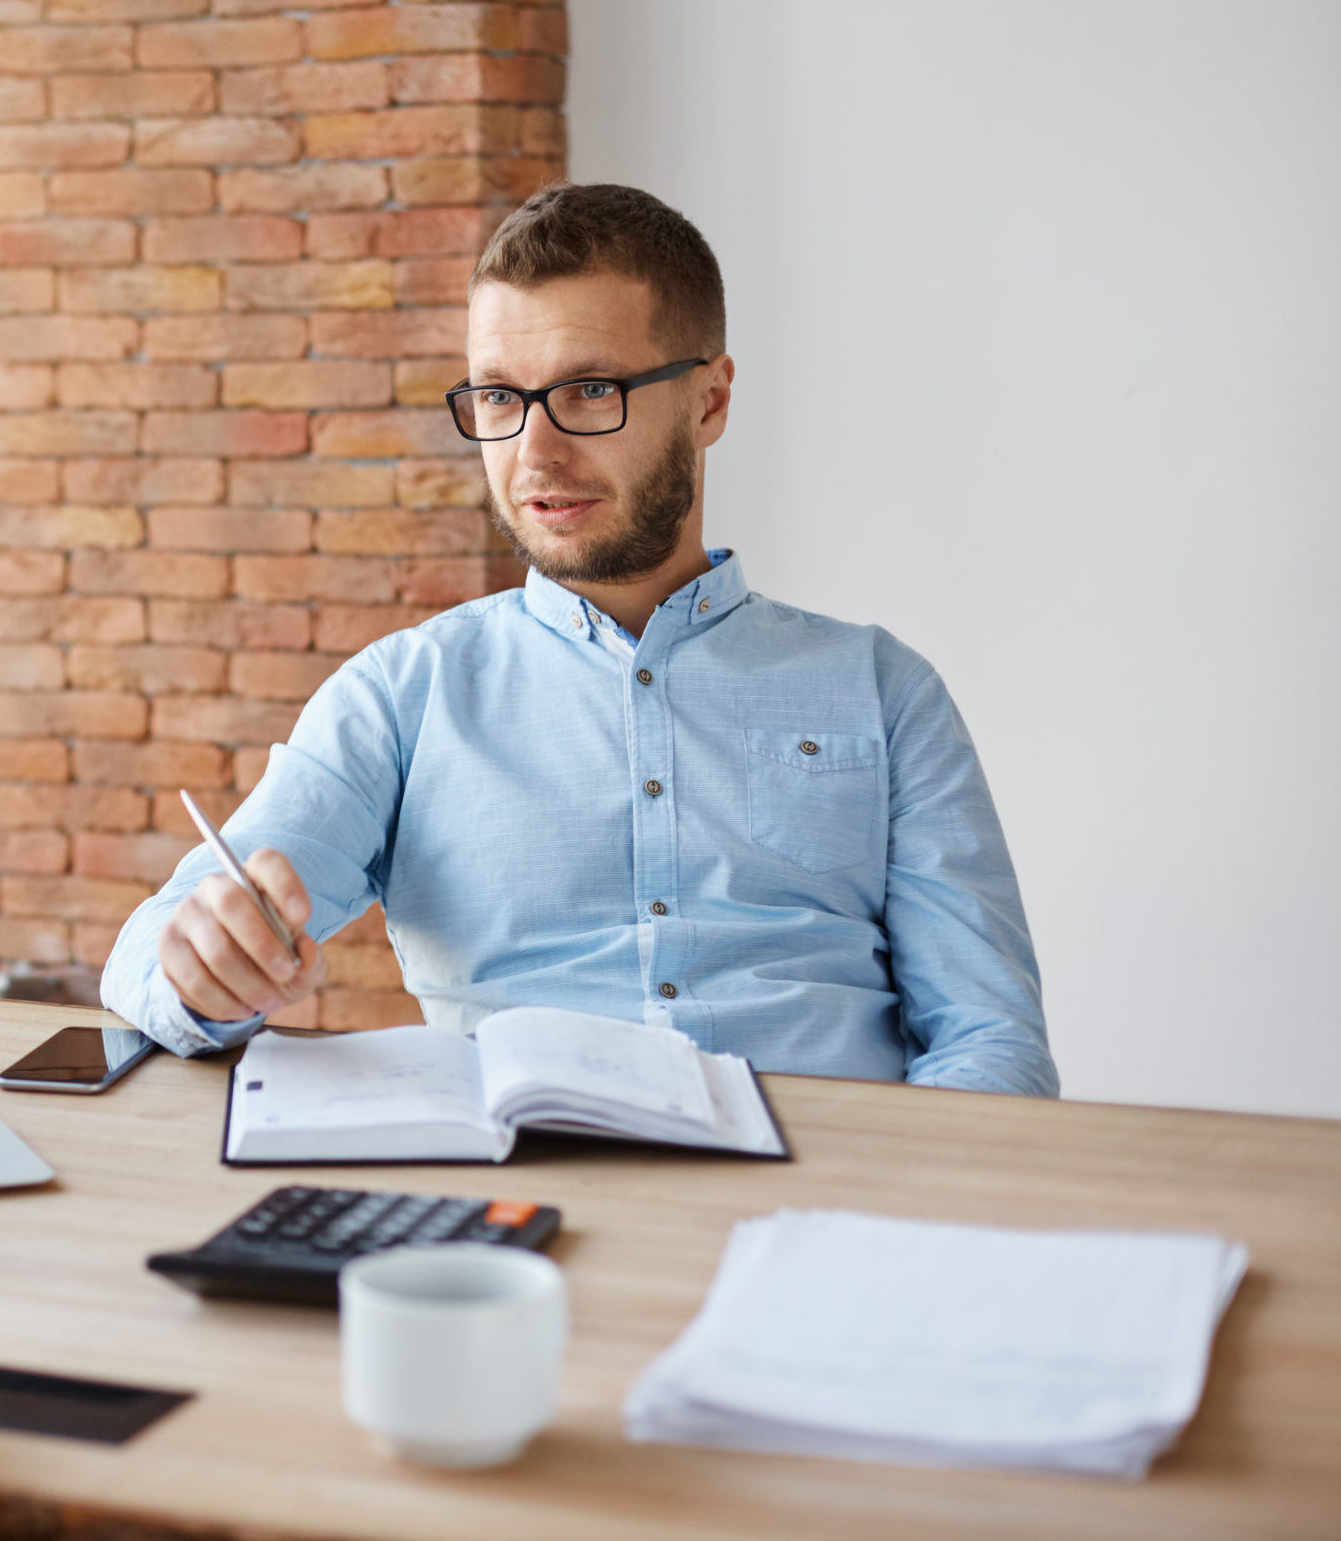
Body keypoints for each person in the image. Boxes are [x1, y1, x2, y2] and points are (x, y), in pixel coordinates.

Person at [103, 183, 1057, 1098]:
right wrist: (202, 965)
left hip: (823, 1201)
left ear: (710, 402)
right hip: (533, 1208)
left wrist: (903, 1214)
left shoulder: (882, 690)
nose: (534, 453)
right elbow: (151, 950)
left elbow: (988, 1037)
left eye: (591, 390)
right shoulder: (404, 695)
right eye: (498, 398)